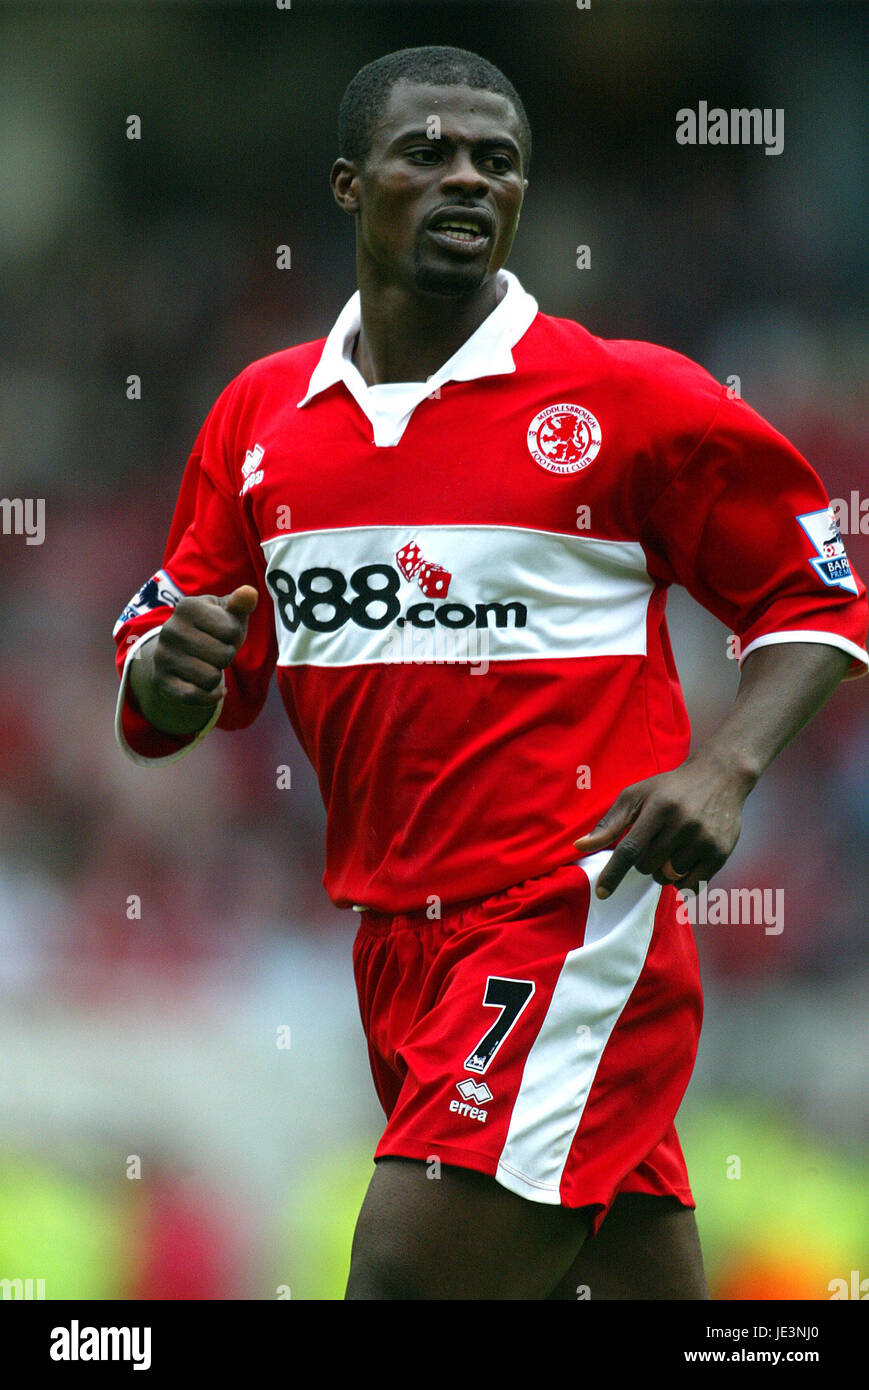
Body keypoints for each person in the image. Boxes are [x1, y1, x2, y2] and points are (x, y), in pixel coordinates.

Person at [112, 46, 868, 1300]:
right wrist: (165, 681)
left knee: (406, 1274)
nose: (465, 176)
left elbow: (818, 588)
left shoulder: (622, 398)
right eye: (427, 152)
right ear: (352, 184)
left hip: (571, 909)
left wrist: (725, 768)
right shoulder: (260, 417)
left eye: (496, 159)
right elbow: (179, 675)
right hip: (393, 941)